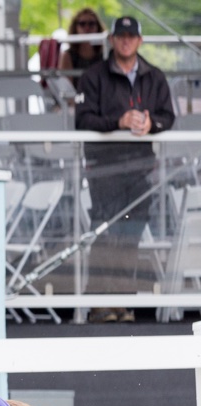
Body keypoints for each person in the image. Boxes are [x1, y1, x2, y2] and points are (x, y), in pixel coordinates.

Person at [75, 15, 175, 318]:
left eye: (131, 36)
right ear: (112, 40)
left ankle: (121, 301)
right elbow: (83, 120)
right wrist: (117, 122)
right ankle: (99, 304)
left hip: (141, 169)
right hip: (104, 167)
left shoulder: (154, 76)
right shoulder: (93, 76)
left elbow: (168, 116)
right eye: (121, 36)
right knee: (105, 231)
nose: (126, 41)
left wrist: (151, 124)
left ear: (140, 41)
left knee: (131, 234)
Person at [59, 8, 106, 88]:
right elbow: (66, 88)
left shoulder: (105, 54)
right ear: (75, 27)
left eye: (91, 24)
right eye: (82, 24)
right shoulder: (68, 55)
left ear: (97, 27)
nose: (87, 28)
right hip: (76, 95)